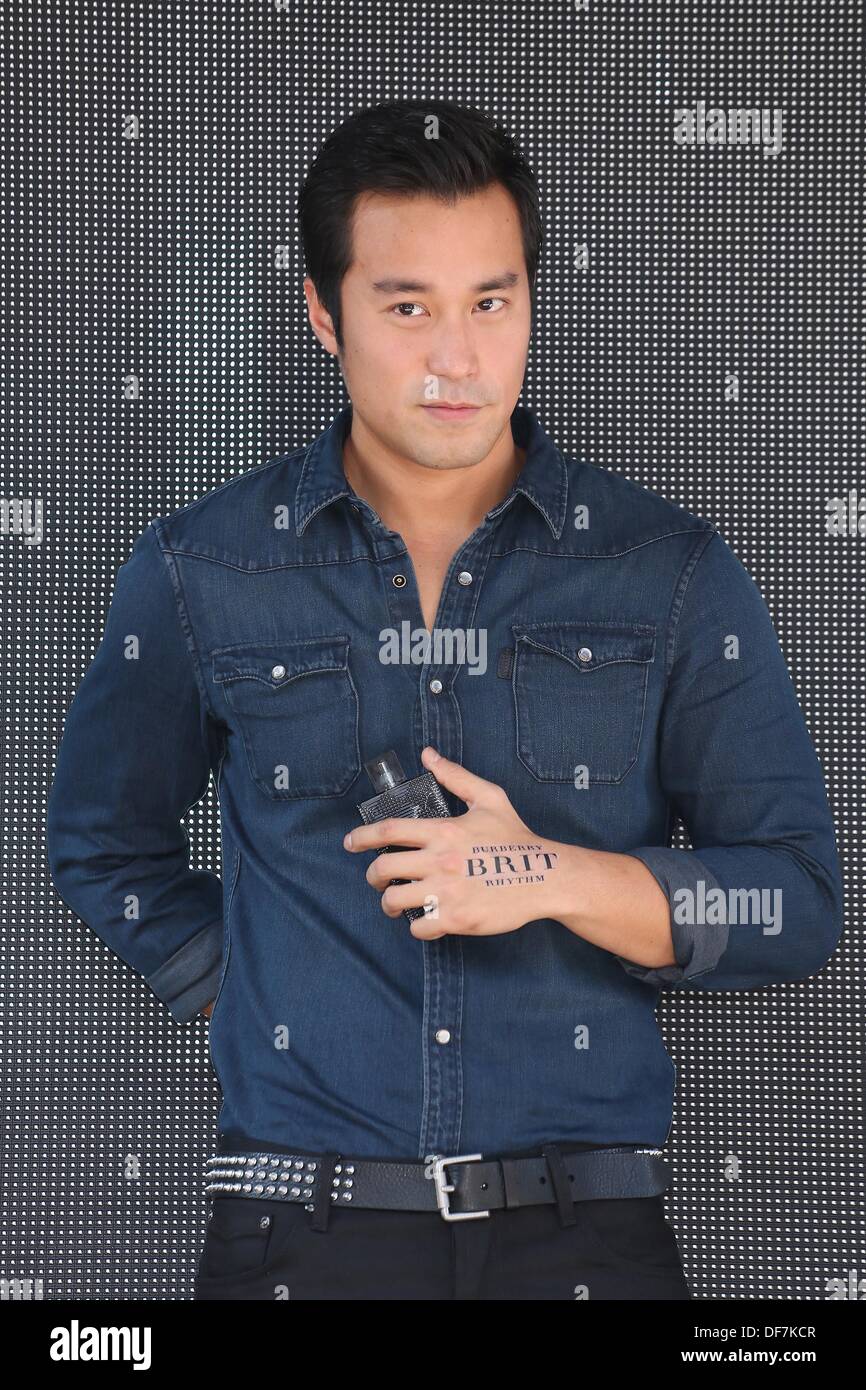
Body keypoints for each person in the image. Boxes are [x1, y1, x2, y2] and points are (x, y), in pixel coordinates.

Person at [46, 98, 844, 1301]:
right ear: (323, 314)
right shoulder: (196, 569)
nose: (457, 358)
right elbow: (103, 844)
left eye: (492, 301)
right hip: (298, 1240)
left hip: (586, 1241)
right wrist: (256, 991)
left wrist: (551, 874)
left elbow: (789, 901)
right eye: (406, 306)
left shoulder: (669, 569)